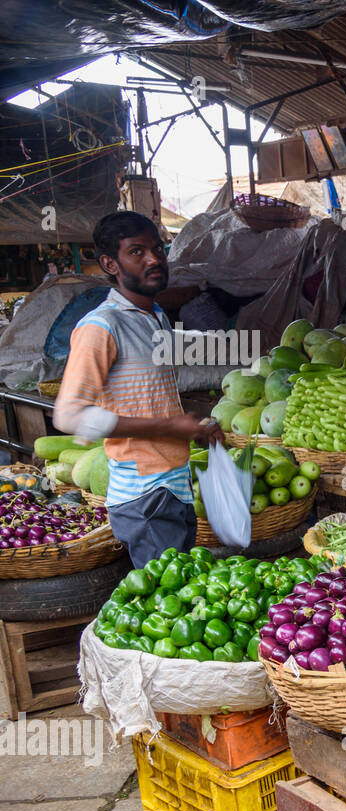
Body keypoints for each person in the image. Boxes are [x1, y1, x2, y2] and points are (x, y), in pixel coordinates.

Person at [53, 211, 222, 567]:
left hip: (173, 485)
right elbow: (70, 415)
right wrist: (167, 428)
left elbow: (150, 398)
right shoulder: (102, 327)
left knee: (182, 596)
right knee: (167, 609)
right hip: (144, 497)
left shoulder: (155, 316)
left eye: (158, 248)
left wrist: (192, 429)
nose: (154, 259)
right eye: (137, 251)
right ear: (109, 263)